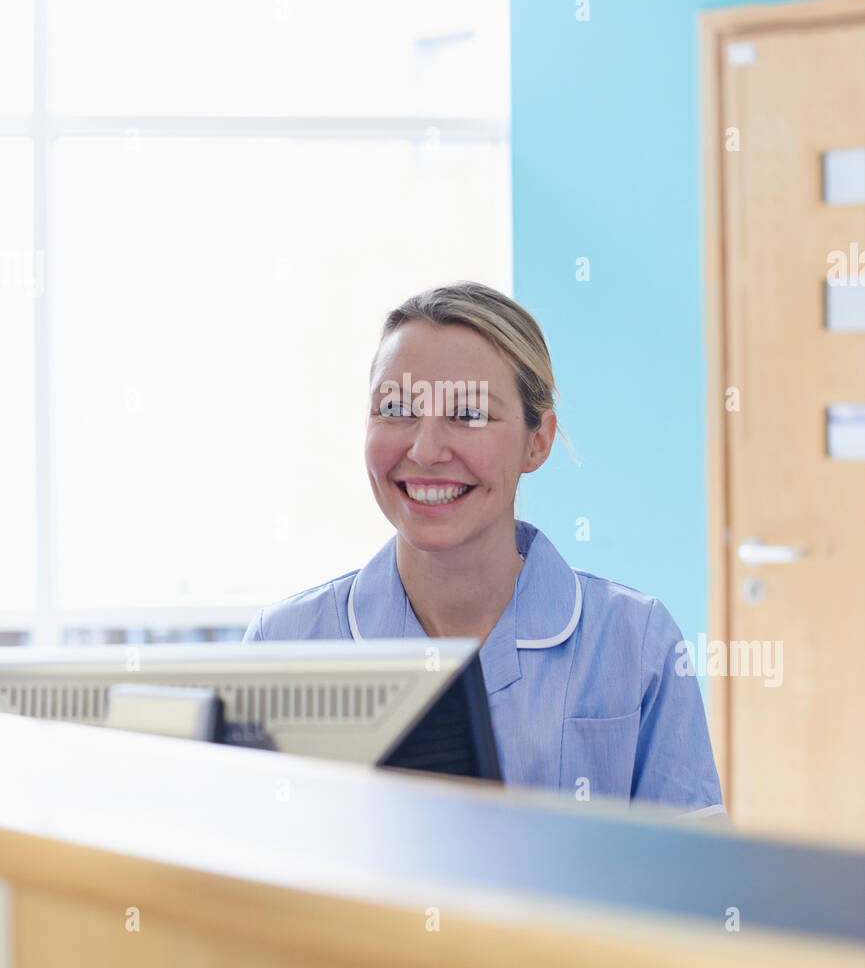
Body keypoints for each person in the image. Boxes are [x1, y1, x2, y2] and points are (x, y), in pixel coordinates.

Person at [243, 281, 727, 820]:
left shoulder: (637, 643)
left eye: (469, 414)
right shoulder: (283, 644)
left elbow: (691, 890)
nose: (424, 451)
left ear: (537, 441)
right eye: (396, 408)